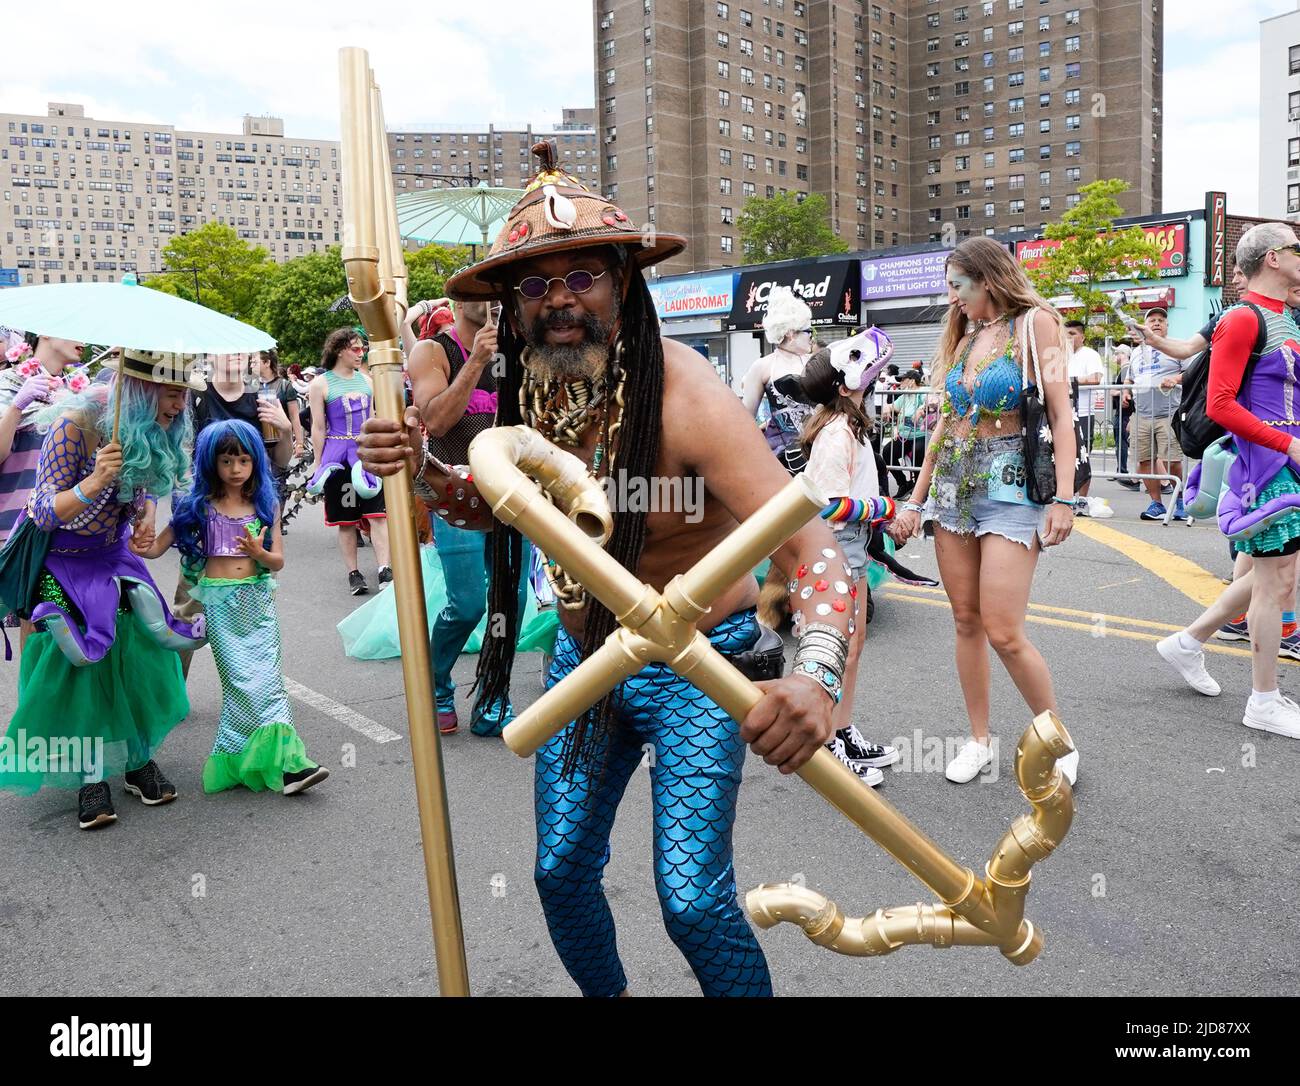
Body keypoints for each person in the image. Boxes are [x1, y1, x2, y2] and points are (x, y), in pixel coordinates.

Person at [359, 141, 853, 997]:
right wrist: (425, 468)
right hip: (585, 661)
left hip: (700, 666)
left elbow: (812, 550)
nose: (558, 300)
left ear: (623, 282)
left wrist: (814, 678)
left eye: (580, 275)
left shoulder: (687, 397)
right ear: (510, 308)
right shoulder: (529, 397)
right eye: (534, 285)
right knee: (558, 872)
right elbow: (496, 511)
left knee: (693, 901)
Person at [889, 237, 1080, 786]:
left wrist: (1065, 498)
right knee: (965, 620)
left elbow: (1063, 417)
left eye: (957, 285)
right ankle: (978, 739)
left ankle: (1056, 738)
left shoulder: (1035, 324)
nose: (951, 297)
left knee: (1003, 629)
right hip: (952, 489)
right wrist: (916, 499)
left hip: (1013, 490)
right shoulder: (965, 334)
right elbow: (947, 424)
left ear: (987, 278)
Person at [0, 350, 205, 828]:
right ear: (139, 390)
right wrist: (95, 480)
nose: (179, 405)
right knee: (84, 668)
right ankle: (90, 778)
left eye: (183, 394)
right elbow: (45, 512)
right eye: (172, 393)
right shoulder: (76, 424)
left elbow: (146, 491)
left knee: (136, 658)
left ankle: (136, 760)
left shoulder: (154, 427)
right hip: (65, 562)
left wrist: (143, 520)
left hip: (114, 557)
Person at [1155, 222, 1300, 738]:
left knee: (1264, 578)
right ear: (1273, 259)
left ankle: (1189, 642)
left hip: (1287, 460)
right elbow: (1220, 403)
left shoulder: (1290, 317)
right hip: (1267, 467)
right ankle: (1263, 699)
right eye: (1295, 247)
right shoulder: (1243, 318)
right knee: (1276, 582)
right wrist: (1287, 444)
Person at [137, 419, 328, 794]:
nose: (236, 469)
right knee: (241, 686)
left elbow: (278, 562)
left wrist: (259, 552)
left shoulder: (266, 504)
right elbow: (155, 548)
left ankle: (291, 765)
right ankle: (245, 757)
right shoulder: (198, 507)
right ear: (211, 463)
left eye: (243, 460)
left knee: (269, 684)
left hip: (258, 603)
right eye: (226, 461)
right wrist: (137, 536)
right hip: (220, 608)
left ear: (256, 459)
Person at [406, 295, 531, 736]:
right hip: (454, 495)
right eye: (480, 290)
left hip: (512, 494)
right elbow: (436, 421)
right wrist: (477, 360)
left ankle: (493, 694)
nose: (492, 298)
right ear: (458, 299)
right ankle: (437, 685)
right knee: (468, 604)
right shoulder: (433, 351)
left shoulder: (518, 345)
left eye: (497, 290)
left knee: (510, 604)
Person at [798, 346, 901, 787]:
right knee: (835, 649)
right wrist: (885, 508)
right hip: (836, 548)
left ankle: (841, 730)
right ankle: (825, 745)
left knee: (853, 645)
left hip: (851, 546)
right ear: (844, 387)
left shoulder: (848, 427)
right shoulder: (837, 434)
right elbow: (829, 506)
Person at [307, 328, 391, 595]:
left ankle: (384, 568)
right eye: (355, 349)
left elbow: (374, 415)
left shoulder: (368, 381)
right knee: (346, 520)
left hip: (366, 454)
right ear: (338, 350)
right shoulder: (320, 384)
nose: (361, 353)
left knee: (378, 514)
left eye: (362, 348)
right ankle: (354, 573)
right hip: (338, 458)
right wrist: (319, 464)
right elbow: (318, 427)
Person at [0, 335, 87, 547]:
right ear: (45, 333)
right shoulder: (7, 383)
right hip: (8, 528)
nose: (83, 340)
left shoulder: (80, 393)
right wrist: (16, 407)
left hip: (57, 529)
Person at [1127, 307, 1187, 522]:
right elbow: (1131, 377)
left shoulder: (1176, 346)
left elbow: (1192, 371)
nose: (1156, 323)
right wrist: (1125, 390)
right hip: (1141, 414)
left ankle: (1180, 501)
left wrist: (1175, 379)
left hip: (1168, 413)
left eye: (1161, 320)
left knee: (1171, 460)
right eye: (1152, 320)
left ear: (1167, 325)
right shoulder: (1136, 351)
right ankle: (1156, 503)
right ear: (1145, 325)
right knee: (1144, 460)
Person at [1108, 343, 1139, 489]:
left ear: (1123, 354)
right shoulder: (1124, 369)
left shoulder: (1126, 369)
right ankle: (1122, 470)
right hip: (1123, 412)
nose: (1115, 357)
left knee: (1122, 442)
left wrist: (1117, 392)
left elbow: (1129, 390)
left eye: (1117, 353)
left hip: (1125, 413)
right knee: (1121, 442)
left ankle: (1122, 471)